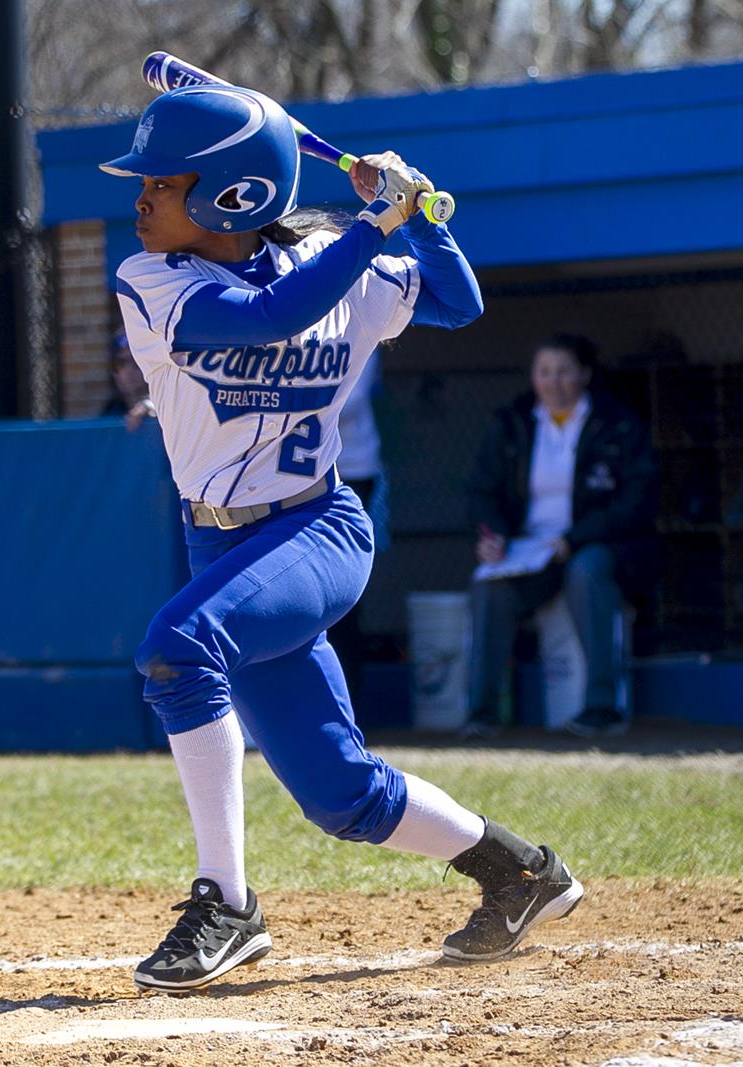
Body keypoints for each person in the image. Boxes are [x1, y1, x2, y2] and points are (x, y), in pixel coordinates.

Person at [102, 84, 582, 992]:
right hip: (225, 547)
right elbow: (265, 319)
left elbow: (458, 299)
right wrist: (377, 221)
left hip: (318, 528)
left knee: (176, 649)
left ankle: (227, 904)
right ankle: (519, 874)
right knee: (340, 795)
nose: (141, 201)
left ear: (231, 196)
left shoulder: (337, 260)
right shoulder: (153, 280)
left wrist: (419, 212)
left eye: (160, 185)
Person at [466, 334, 659, 739]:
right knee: (488, 586)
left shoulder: (616, 423)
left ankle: (600, 708)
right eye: (544, 372)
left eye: (564, 372)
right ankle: (481, 714)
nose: (553, 383)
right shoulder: (513, 422)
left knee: (587, 573)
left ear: (585, 374)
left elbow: (635, 500)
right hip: (528, 548)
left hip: (592, 545)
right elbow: (481, 493)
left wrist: (574, 538)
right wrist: (492, 536)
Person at [327, 350, 386, 699]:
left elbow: (351, 400)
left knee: (340, 593)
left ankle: (349, 705)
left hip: (352, 472)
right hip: (295, 476)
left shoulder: (361, 306)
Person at [101, 331, 157, 431]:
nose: (129, 370)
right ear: (114, 372)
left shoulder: (165, 405)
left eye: (136, 361)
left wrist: (149, 406)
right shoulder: (108, 415)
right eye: (121, 363)